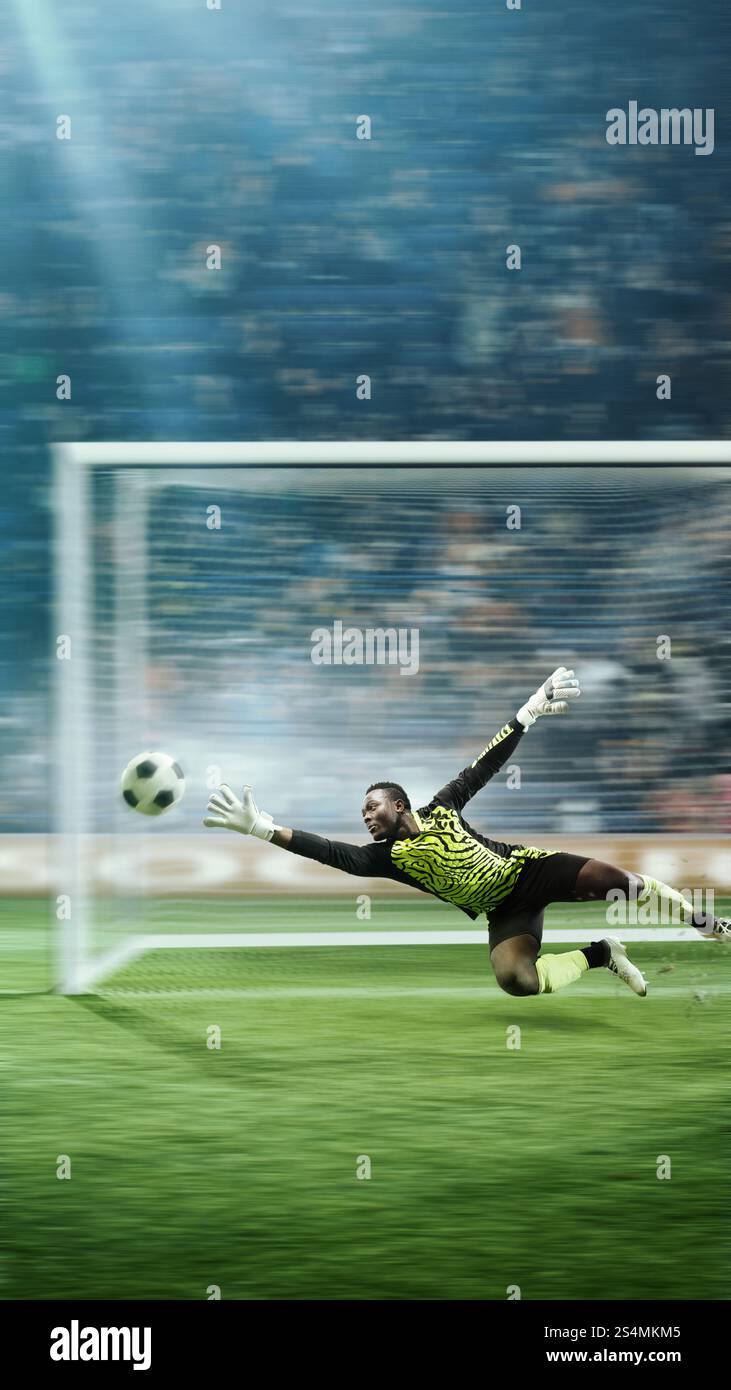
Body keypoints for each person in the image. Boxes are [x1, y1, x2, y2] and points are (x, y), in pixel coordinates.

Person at [204, 667, 730, 999]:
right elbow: (331, 852)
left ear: (399, 804)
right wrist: (263, 828)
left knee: (622, 882)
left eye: (372, 807)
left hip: (531, 870)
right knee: (516, 982)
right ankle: (601, 953)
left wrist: (525, 716)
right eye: (362, 812)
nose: (365, 817)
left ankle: (703, 921)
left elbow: (483, 765)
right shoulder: (385, 858)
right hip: (505, 909)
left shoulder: (442, 807)